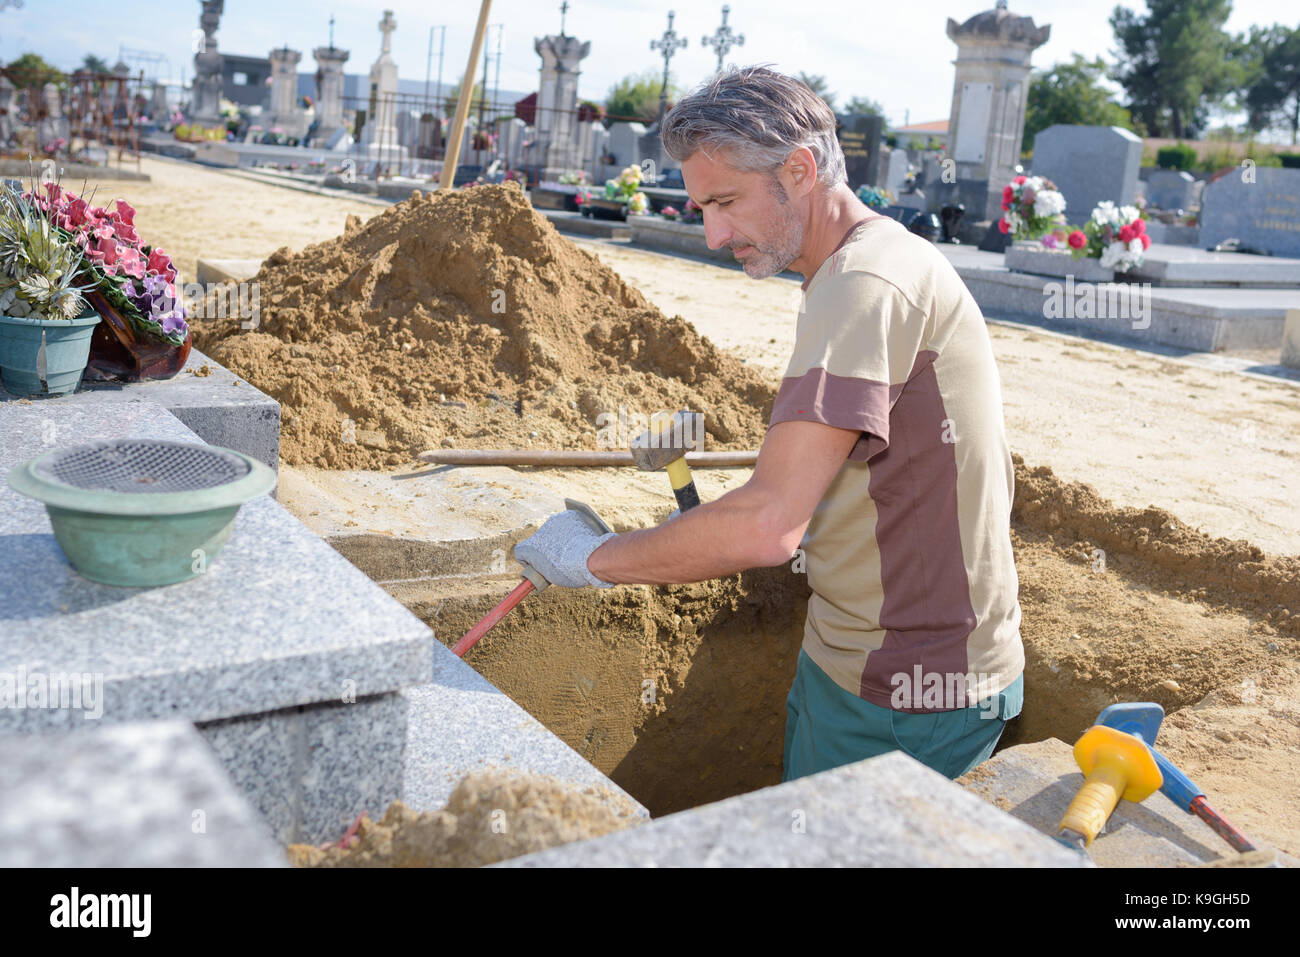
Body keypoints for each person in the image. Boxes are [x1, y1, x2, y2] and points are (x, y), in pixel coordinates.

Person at [514, 65, 1024, 782]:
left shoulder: (864, 284)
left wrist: (591, 558)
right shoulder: (859, 266)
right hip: (855, 656)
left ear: (800, 169)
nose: (715, 234)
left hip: (909, 693)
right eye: (700, 208)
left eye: (725, 201)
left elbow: (766, 525)